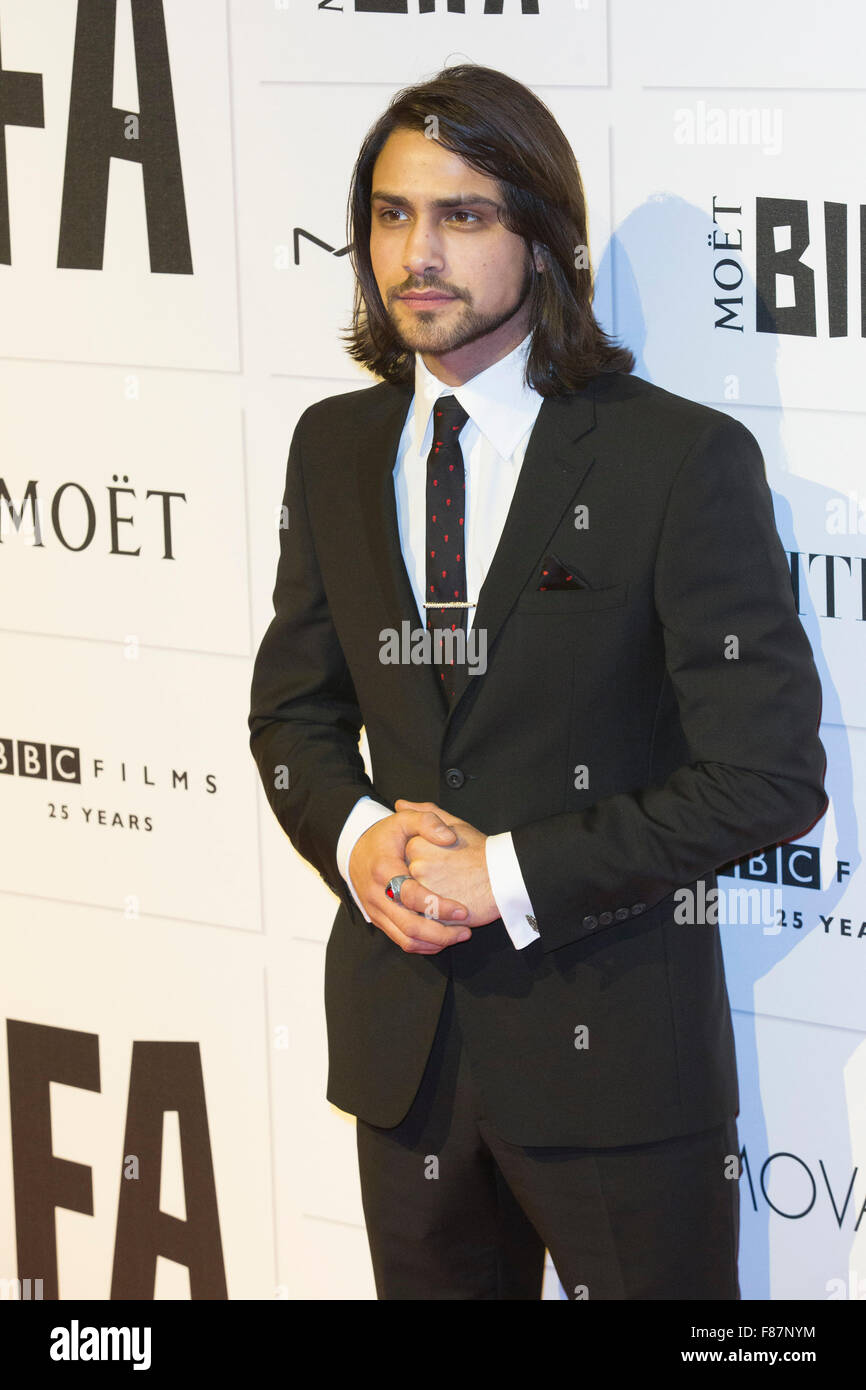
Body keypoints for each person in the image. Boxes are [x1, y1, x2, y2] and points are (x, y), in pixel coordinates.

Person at [248, 64, 827, 1300]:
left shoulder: (674, 460)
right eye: (393, 214)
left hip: (617, 1063)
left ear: (543, 237)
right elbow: (292, 710)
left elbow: (766, 776)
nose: (418, 251)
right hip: (404, 1055)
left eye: (463, 215)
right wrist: (358, 841)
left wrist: (502, 871)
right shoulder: (332, 447)